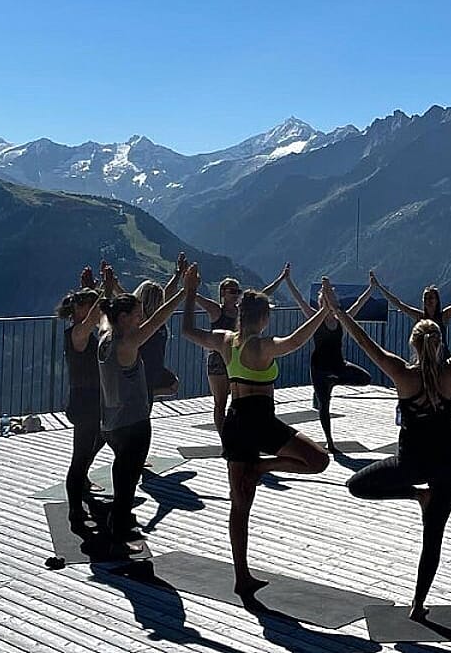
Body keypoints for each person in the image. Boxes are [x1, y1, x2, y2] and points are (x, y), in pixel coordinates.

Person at [322, 274, 451, 620]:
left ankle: (416, 496)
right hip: (449, 465)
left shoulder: (402, 374)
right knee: (433, 537)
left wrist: (337, 310)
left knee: (356, 485)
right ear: (440, 345)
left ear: (413, 343)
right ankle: (418, 605)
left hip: (410, 464)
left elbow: (365, 344)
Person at [179, 264, 330, 601]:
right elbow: (297, 340)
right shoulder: (263, 346)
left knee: (240, 505)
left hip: (235, 421)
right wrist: (325, 310)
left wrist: (190, 292)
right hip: (261, 421)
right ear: (262, 319)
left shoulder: (224, 340)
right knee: (318, 460)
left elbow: (188, 330)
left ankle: (242, 576)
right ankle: (263, 467)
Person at [96, 278, 187, 542]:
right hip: (132, 422)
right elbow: (158, 319)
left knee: (121, 478)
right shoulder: (127, 344)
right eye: (136, 316)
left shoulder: (104, 335)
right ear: (123, 317)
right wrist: (185, 291)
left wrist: (105, 287)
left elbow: (104, 313)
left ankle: (117, 528)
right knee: (127, 485)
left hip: (110, 422)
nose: (140, 320)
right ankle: (120, 539)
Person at [285, 269, 376, 453]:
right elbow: (299, 300)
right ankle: (330, 442)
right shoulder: (314, 317)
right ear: (321, 302)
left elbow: (359, 304)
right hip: (319, 368)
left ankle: (334, 380)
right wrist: (288, 280)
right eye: (325, 299)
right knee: (324, 406)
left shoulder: (342, 318)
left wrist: (371, 288)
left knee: (365, 378)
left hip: (338, 365)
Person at [194, 266, 290, 432]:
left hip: (236, 357)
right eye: (232, 291)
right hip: (218, 361)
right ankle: (224, 437)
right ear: (222, 293)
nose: (236, 294)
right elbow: (194, 297)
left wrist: (281, 279)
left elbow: (264, 294)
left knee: (237, 401)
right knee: (220, 402)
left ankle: (236, 435)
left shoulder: (242, 310)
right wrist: (188, 285)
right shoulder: (216, 310)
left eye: (238, 291)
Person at [373, 265, 451, 391]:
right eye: (426, 298)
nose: (428, 301)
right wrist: (379, 287)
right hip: (424, 361)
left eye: (431, 298)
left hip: (443, 359)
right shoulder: (420, 317)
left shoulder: (444, 316)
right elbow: (399, 304)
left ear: (437, 300)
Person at [57, 282, 105, 531]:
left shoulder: (82, 331)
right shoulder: (77, 333)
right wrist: (103, 291)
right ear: (80, 309)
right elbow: (91, 319)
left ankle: (82, 486)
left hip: (94, 400)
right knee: (79, 456)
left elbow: (94, 315)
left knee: (101, 439)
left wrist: (93, 290)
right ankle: (75, 509)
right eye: (91, 307)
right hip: (84, 401)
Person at [134, 253, 188, 404]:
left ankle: (148, 392)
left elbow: (168, 293)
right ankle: (146, 392)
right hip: (143, 371)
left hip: (154, 368)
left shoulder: (158, 319)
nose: (161, 302)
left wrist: (178, 274)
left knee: (173, 385)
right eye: (157, 299)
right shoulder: (142, 321)